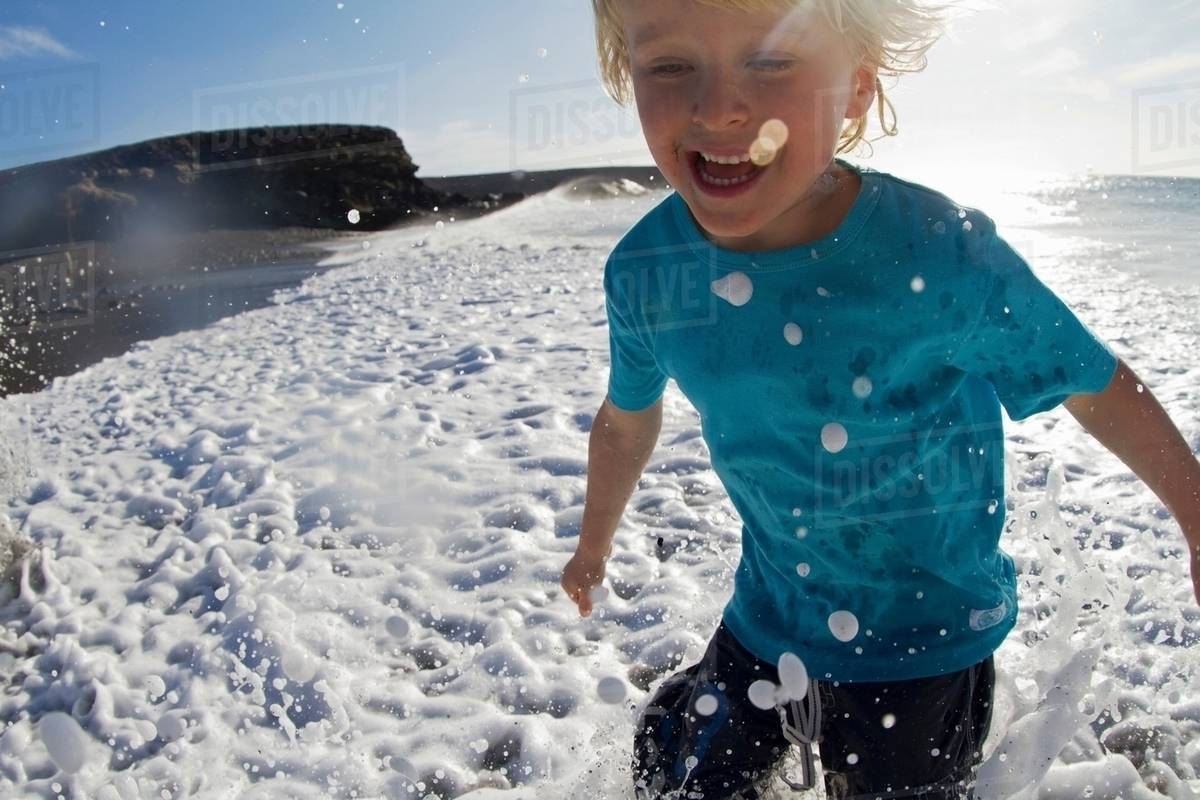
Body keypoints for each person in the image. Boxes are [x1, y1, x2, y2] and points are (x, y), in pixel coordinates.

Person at [560, 1, 1200, 798]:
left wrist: (1196, 514)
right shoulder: (648, 273)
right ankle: (674, 715)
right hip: (769, 615)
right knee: (680, 778)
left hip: (926, 644)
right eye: (669, 65)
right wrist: (592, 548)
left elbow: (1090, 381)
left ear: (857, 87)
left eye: (770, 62)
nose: (719, 107)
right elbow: (627, 419)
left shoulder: (942, 255)